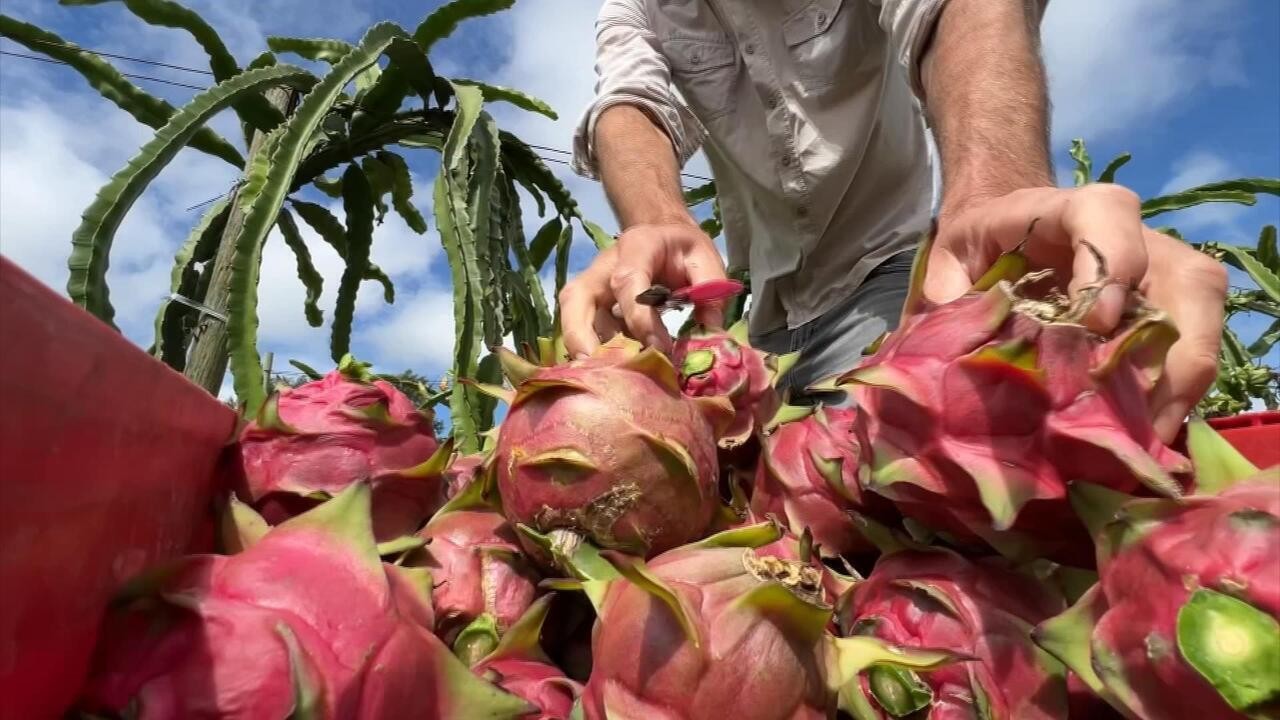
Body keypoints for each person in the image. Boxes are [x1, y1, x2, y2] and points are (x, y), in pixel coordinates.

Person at [565, 0, 1226, 441]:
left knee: (881, 481)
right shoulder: (639, 6)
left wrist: (994, 190)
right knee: (777, 510)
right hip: (764, 308)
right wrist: (658, 221)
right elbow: (631, 99)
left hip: (892, 278)